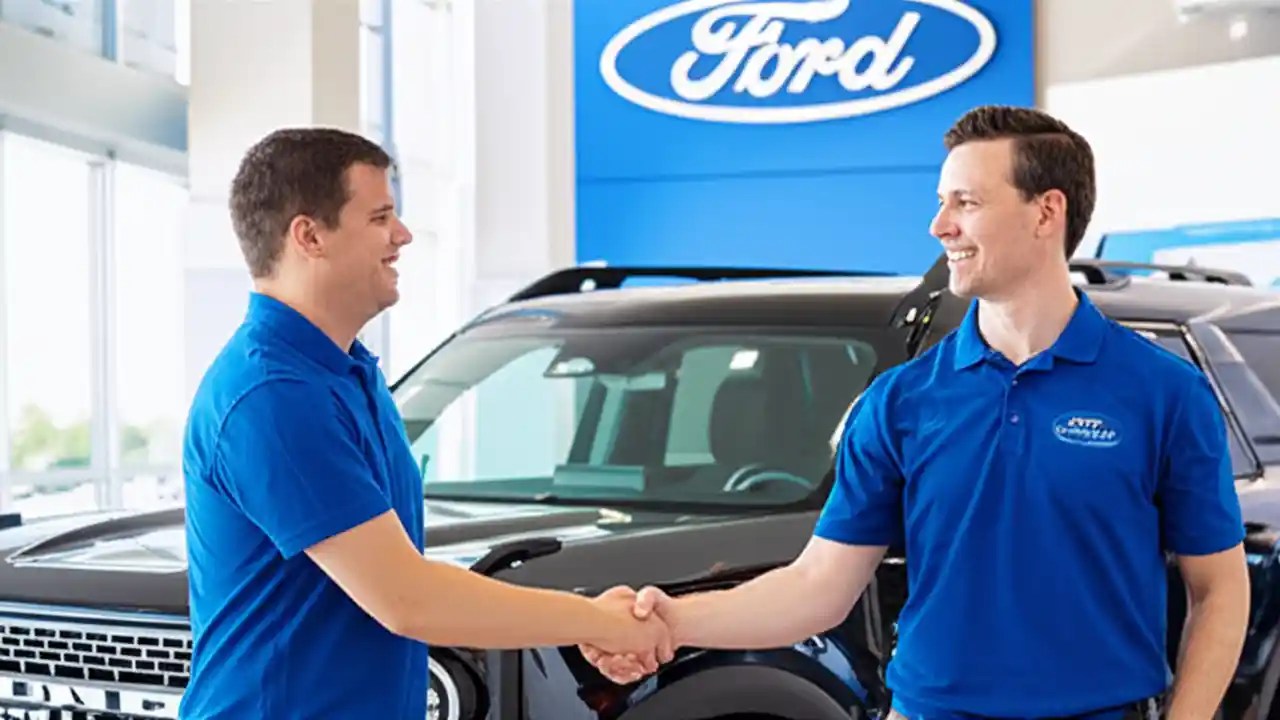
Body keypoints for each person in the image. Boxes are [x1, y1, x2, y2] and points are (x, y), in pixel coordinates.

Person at [583, 106, 1251, 719]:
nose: (940, 227)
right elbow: (818, 587)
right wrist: (671, 616)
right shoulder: (902, 401)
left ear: (1047, 212)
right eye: (941, 202)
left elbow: (1218, 590)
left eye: (966, 202)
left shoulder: (1163, 393)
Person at [180, 127, 671, 719]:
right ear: (309, 235)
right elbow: (405, 596)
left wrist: (592, 623)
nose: (403, 234)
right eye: (380, 216)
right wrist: (594, 621)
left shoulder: (346, 372)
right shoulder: (272, 396)